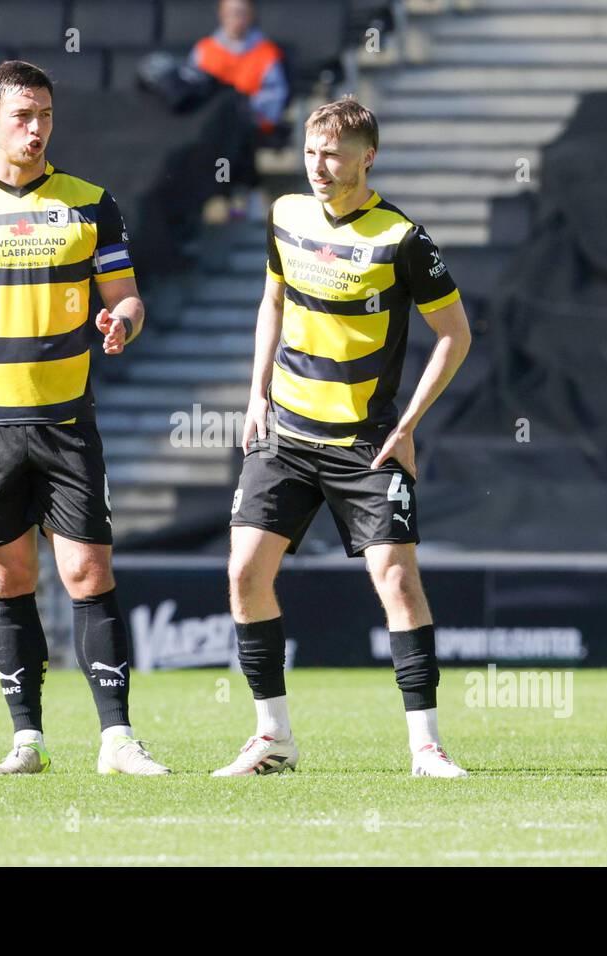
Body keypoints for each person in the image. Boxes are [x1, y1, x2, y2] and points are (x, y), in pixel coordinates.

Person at [0, 60, 170, 776]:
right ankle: (28, 740)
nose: (37, 128)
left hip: (66, 422)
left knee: (86, 570)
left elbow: (130, 297)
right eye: (23, 116)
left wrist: (122, 325)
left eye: (45, 114)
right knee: (9, 580)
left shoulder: (90, 203)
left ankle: (117, 739)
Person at [214, 96, 473, 779]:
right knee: (245, 572)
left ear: (367, 157)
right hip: (287, 432)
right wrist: (255, 394)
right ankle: (273, 737)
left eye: (333, 154)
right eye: (310, 152)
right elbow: (274, 299)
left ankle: (427, 747)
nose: (319, 167)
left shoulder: (402, 238)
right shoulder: (285, 215)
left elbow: (456, 335)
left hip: (368, 443)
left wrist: (410, 422)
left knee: (396, 579)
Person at [191, 0, 289, 218]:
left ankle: (228, 193)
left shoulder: (266, 53)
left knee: (237, 128)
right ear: (221, 15)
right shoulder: (204, 50)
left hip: (251, 120)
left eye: (241, 13)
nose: (236, 19)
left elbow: (275, 94)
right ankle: (240, 189)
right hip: (212, 123)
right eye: (231, 13)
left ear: (251, 15)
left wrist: (246, 107)